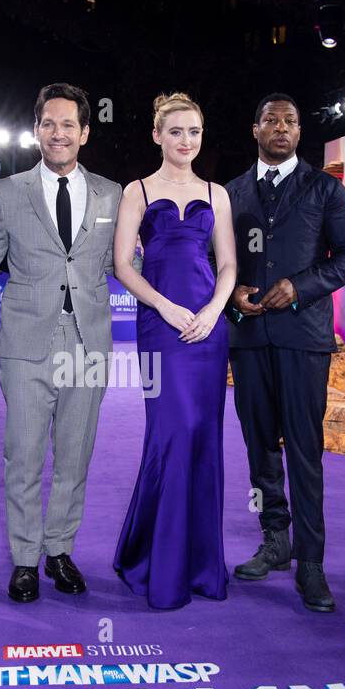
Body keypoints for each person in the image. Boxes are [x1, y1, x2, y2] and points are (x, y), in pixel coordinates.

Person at [224, 93, 345, 613]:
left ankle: (311, 563)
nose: (282, 128)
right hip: (247, 338)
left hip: (304, 338)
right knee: (260, 447)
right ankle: (275, 540)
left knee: (304, 450)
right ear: (254, 129)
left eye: (291, 122)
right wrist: (232, 295)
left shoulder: (326, 189)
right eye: (271, 120)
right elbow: (219, 260)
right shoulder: (231, 193)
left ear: (300, 133)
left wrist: (301, 286)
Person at [0, 83, 123, 603]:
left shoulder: (112, 193)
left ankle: (59, 551)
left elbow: (123, 266)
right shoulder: (7, 191)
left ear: (84, 133)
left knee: (74, 456)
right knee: (21, 456)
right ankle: (24, 560)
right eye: (49, 123)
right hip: (26, 342)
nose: (59, 132)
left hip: (88, 342)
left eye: (69, 124)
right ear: (37, 129)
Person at [111, 92, 237, 609]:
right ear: (158, 135)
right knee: (170, 436)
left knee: (204, 438)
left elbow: (228, 265)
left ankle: (202, 567)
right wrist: (166, 308)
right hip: (161, 328)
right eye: (177, 132)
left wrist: (212, 312)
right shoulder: (137, 190)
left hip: (208, 333)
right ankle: (155, 561)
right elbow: (123, 265)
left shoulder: (217, 192)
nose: (187, 141)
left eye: (195, 132)